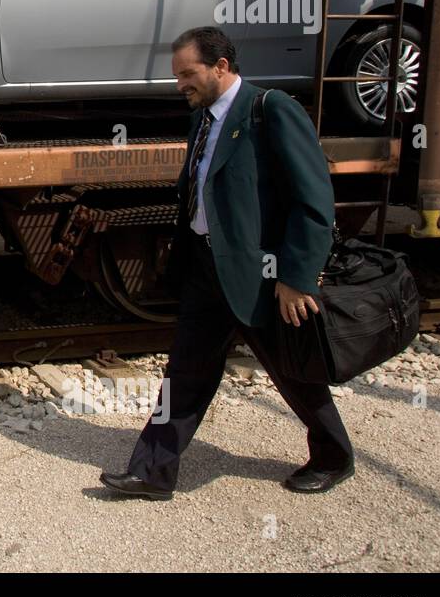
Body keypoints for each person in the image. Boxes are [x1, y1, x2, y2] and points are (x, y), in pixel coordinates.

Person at [99, 26, 354, 500]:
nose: (180, 85)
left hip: (262, 274)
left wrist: (297, 276)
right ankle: (152, 472)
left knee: (292, 370)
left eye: (188, 74)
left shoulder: (270, 110)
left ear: (221, 66)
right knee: (187, 372)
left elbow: (314, 199)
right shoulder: (202, 117)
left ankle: (334, 456)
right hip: (204, 267)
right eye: (177, 76)